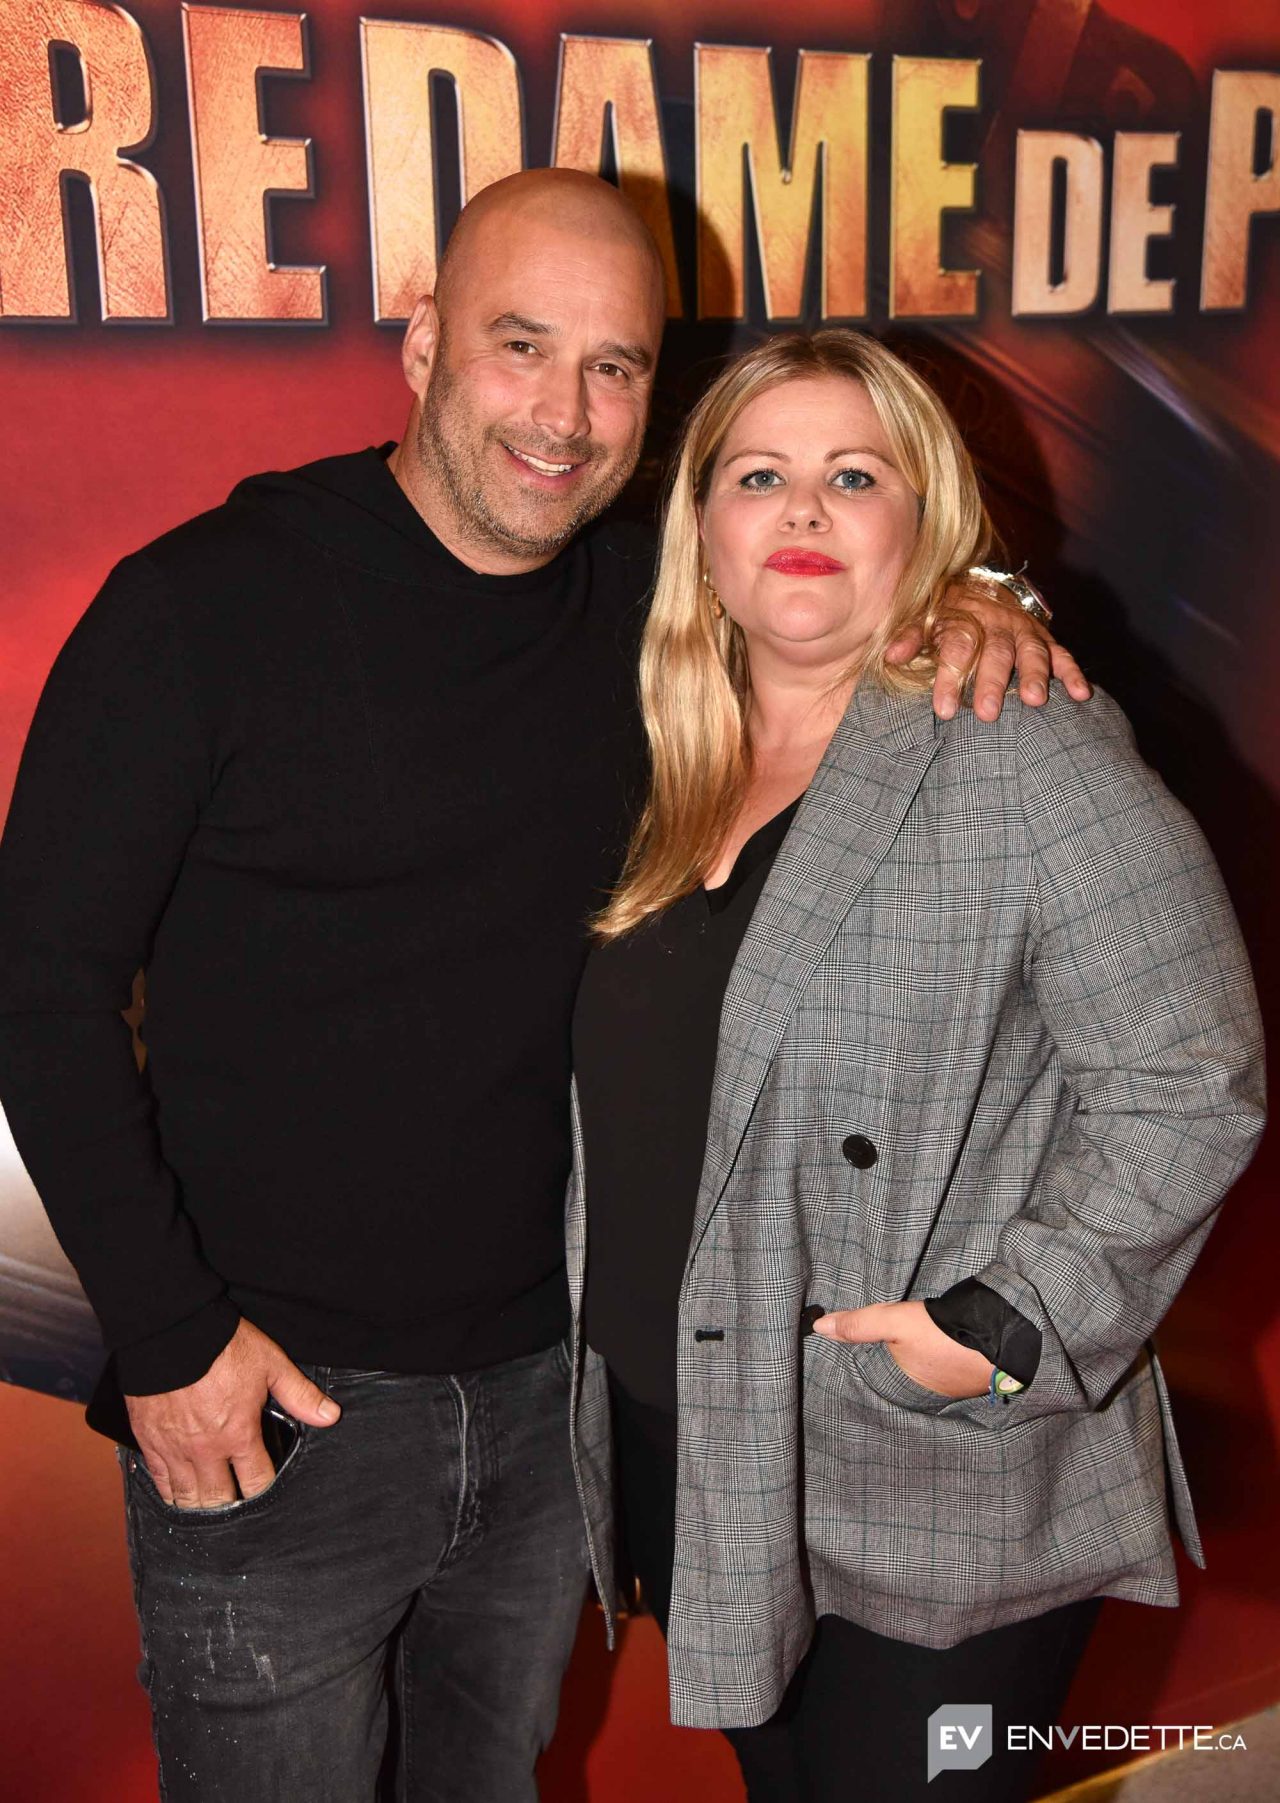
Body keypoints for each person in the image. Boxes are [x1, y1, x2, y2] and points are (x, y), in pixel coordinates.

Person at [0, 174, 1079, 1800]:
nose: (563, 417)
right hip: (275, 1409)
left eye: (616, 367)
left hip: (553, 1403)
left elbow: (851, 558)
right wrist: (165, 1342)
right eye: (520, 346)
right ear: (425, 342)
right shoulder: (201, 611)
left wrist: (992, 597)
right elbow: (36, 988)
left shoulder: (656, 600)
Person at [569, 329, 1265, 1801]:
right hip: (707, 1444)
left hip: (941, 1466)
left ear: (925, 522)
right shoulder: (657, 751)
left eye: (853, 476)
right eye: (760, 475)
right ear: (698, 530)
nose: (804, 512)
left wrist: (1009, 1324)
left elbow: (1191, 1076)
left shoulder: (1019, 739)